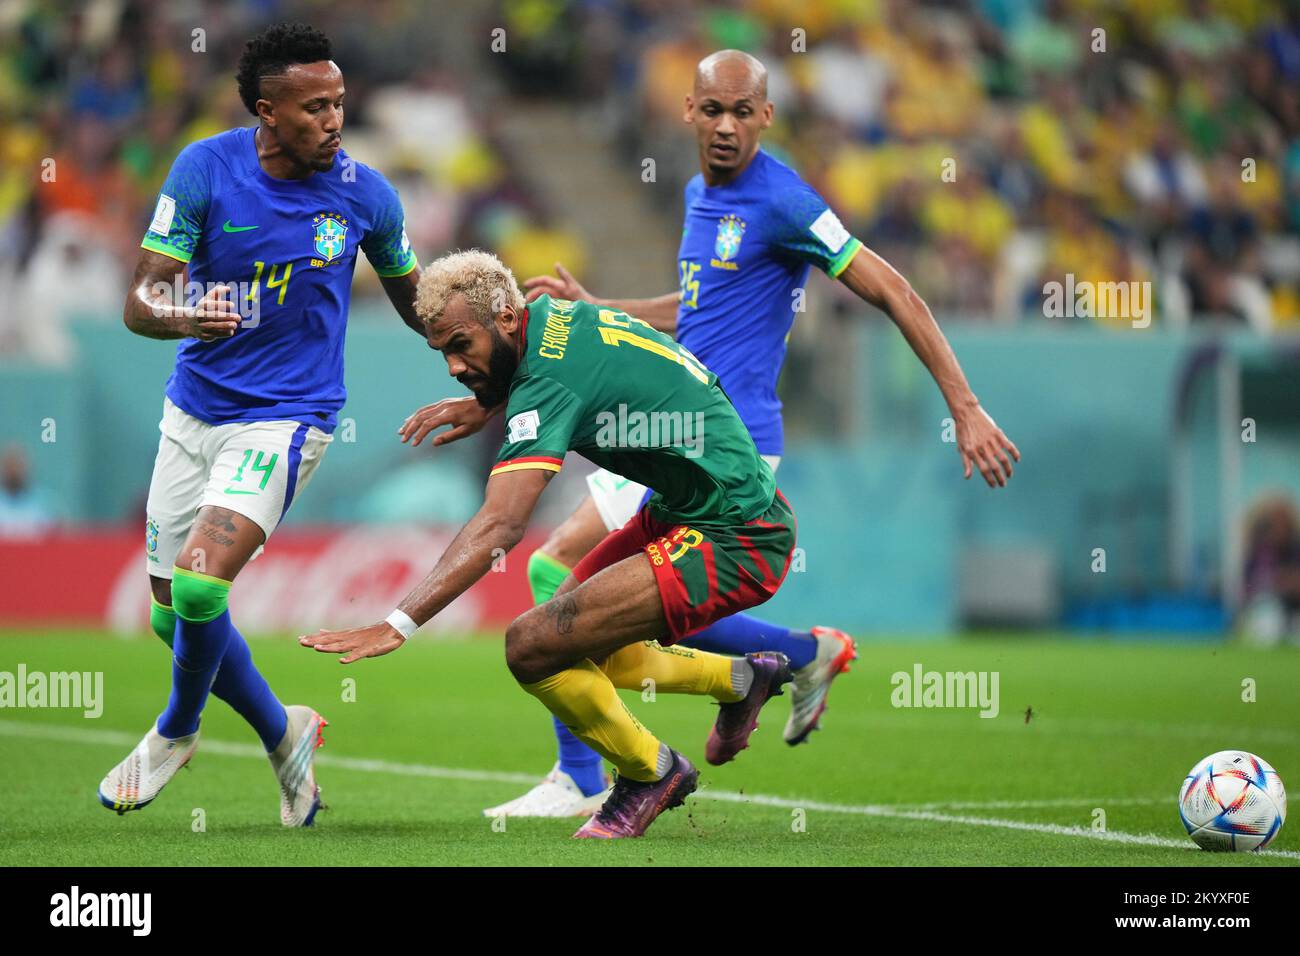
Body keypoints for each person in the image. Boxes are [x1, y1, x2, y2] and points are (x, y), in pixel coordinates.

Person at [401, 50, 1021, 817]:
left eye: (743, 111)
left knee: (559, 570)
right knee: (604, 589)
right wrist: (606, 306)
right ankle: (787, 658)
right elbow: (696, 307)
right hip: (666, 431)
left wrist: (963, 404)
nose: (726, 126)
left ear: (765, 115)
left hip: (722, 436)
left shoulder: (785, 200)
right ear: (687, 111)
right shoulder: (698, 192)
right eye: (712, 111)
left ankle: (588, 774)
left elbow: (890, 286)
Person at [301, 249, 803, 839]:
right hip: (686, 509)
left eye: (461, 345)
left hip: (737, 532)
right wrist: (490, 402)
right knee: (569, 638)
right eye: (443, 352)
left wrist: (398, 622)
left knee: (532, 645)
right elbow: (567, 371)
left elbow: (500, 524)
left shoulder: (547, 377)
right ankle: (745, 679)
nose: (454, 367)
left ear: (507, 318)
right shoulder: (549, 320)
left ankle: (652, 773)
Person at [98, 22, 423, 826]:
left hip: (289, 418)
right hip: (194, 411)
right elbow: (141, 301)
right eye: (315, 107)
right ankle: (287, 735)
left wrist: (494, 360)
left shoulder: (364, 194)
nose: (334, 121)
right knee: (172, 614)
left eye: (340, 103)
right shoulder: (204, 168)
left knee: (204, 582)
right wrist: (185, 318)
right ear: (266, 112)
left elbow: (423, 304)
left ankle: (176, 730)